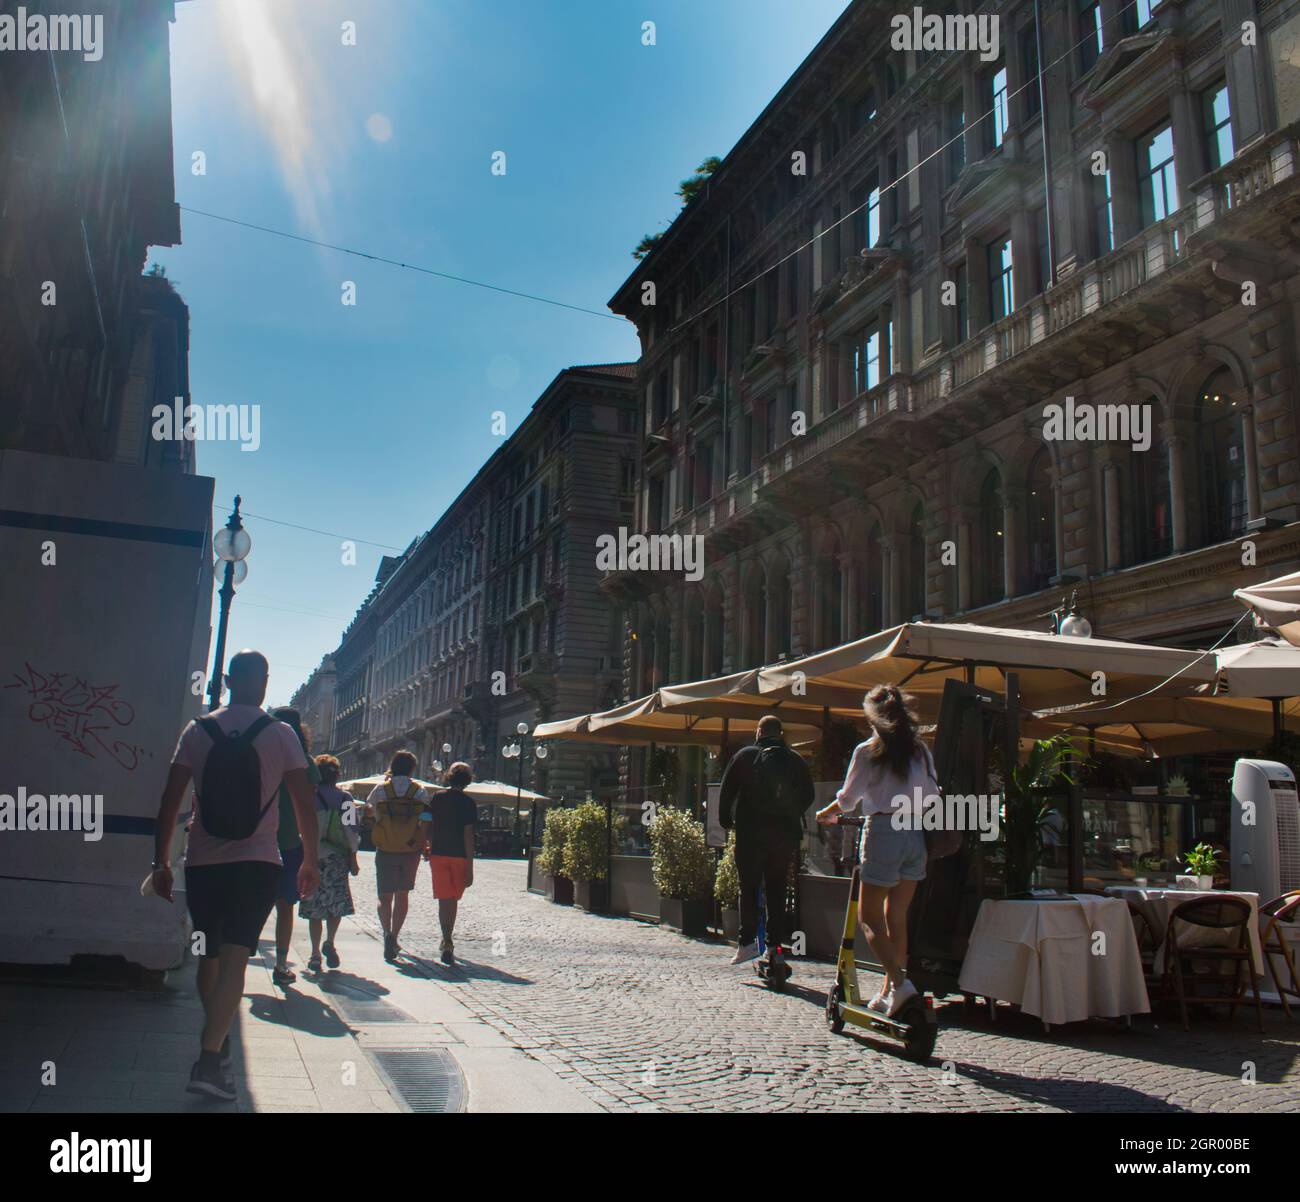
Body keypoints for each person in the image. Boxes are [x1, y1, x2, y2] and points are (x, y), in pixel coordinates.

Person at [151, 650, 320, 1101]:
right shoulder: (281, 734)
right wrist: (310, 859)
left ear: (227, 680)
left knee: (208, 954)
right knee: (236, 955)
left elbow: (169, 800)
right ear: (264, 682)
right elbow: (304, 803)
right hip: (257, 863)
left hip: (204, 862)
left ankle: (217, 1042)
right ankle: (210, 1057)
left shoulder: (198, 730)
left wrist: (160, 862)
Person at [816, 684, 935, 1017]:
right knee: (896, 917)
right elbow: (933, 795)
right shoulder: (921, 751)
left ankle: (900, 984)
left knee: (868, 919)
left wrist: (827, 814)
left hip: (884, 831)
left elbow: (848, 799)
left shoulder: (867, 750)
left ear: (873, 717)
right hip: (914, 832)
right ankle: (888, 992)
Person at [718, 715, 814, 968]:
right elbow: (809, 794)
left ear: (758, 732)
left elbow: (726, 793)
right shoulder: (795, 760)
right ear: (780, 734)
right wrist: (790, 812)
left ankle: (747, 944)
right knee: (777, 888)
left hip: (751, 834)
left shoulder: (744, 757)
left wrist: (728, 822)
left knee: (748, 887)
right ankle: (774, 946)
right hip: (783, 837)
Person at [264, 707, 320, 986]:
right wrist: (312, 857)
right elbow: (307, 811)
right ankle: (280, 963)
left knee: (253, 901)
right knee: (285, 905)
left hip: (257, 841)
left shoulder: (260, 755)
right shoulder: (306, 762)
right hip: (288, 842)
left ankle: (236, 955)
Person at [364, 751, 429, 962]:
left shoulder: (381, 789)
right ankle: (395, 934)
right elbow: (427, 817)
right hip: (410, 850)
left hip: (385, 847)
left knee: (385, 896)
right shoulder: (419, 791)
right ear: (412, 769)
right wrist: (419, 839)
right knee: (403, 895)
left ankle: (386, 933)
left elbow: (368, 811)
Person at [300, 754, 361, 972]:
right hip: (337, 858)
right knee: (336, 903)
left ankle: (315, 953)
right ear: (337, 774)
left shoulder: (310, 797)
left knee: (314, 904)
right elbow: (351, 831)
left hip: (312, 856)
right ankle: (330, 942)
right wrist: (353, 856)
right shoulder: (345, 799)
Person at [419, 761, 477, 965]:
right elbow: (468, 835)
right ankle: (447, 938)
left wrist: (425, 845)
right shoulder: (469, 803)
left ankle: (447, 939)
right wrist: (470, 866)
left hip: (439, 854)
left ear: (449, 777)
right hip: (460, 855)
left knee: (445, 898)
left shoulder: (437, 798)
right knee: (453, 898)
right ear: (468, 780)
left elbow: (426, 820)